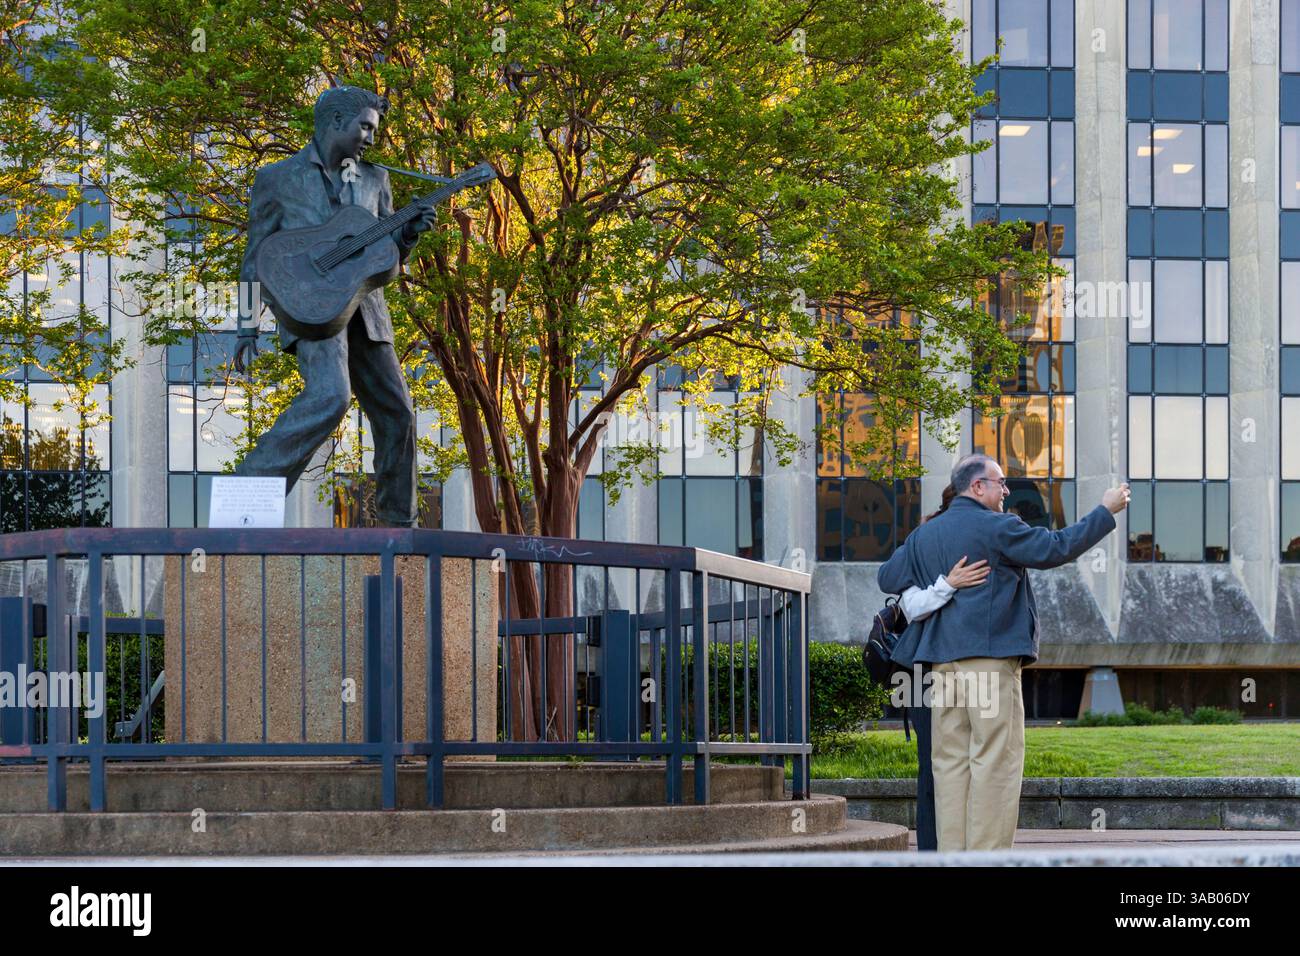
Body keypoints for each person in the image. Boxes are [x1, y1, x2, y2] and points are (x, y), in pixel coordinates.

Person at [878, 454, 1129, 851]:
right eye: (1000, 482)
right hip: (989, 663)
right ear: (977, 486)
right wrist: (1105, 510)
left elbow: (887, 577)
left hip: (942, 668)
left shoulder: (924, 534)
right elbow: (1055, 548)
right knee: (995, 763)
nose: (1006, 490)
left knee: (950, 767)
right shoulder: (997, 527)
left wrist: (941, 581)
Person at [231, 85, 441, 527]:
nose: (371, 137)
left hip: (367, 311)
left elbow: (385, 255)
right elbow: (255, 258)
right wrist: (247, 327)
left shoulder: (376, 179)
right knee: (331, 396)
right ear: (335, 123)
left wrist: (409, 235)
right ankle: (248, 497)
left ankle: (398, 525)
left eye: (374, 129)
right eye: (365, 126)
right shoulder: (277, 179)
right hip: (311, 308)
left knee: (398, 412)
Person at [888, 483, 989, 852]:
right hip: (925, 671)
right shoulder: (924, 544)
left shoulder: (984, 540)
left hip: (966, 665)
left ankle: (961, 847)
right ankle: (933, 852)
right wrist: (948, 583)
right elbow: (909, 605)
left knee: (966, 761)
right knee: (935, 764)